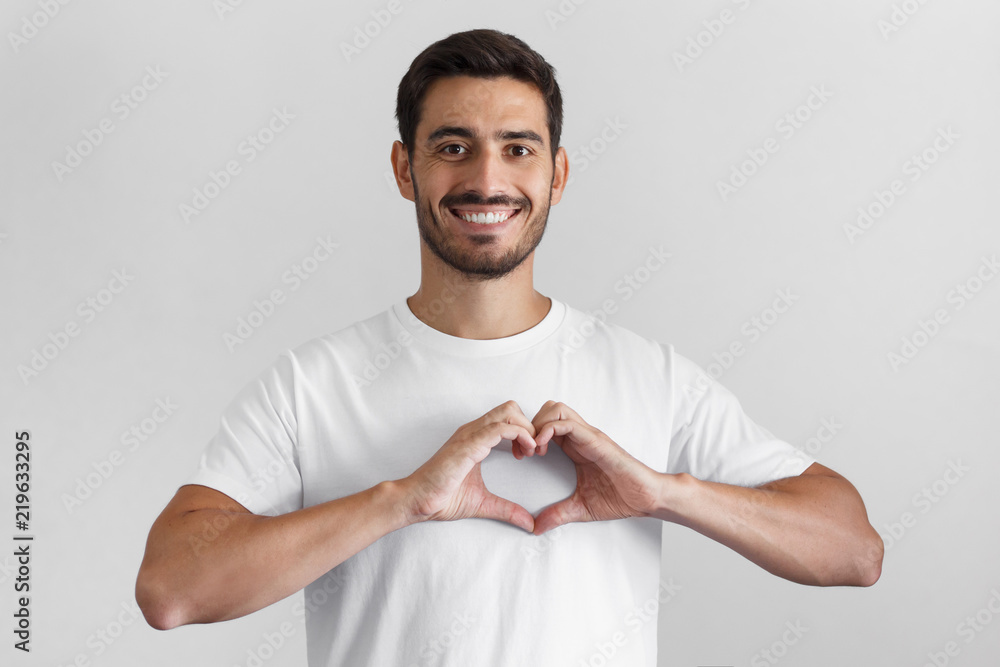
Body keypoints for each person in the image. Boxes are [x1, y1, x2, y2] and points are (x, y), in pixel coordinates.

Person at [136, 28, 882, 666]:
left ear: (556, 174)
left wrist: (663, 492)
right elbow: (171, 588)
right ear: (406, 169)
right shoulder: (310, 384)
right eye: (453, 146)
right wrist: (400, 501)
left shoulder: (648, 374)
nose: (487, 178)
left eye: (518, 148)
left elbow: (853, 548)